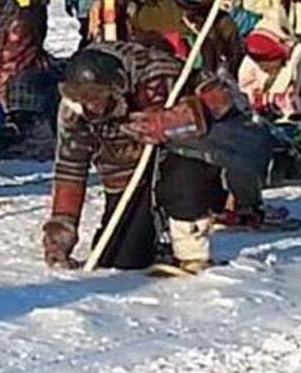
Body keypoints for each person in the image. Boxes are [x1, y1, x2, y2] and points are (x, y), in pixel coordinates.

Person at [42, 42, 238, 273]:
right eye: (83, 99)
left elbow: (223, 100)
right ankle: (151, 234)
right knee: (121, 259)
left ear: (118, 86)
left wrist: (172, 121)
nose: (91, 106)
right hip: (124, 168)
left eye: (97, 97)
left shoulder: (157, 74)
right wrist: (62, 227)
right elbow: (70, 168)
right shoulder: (73, 110)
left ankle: (191, 250)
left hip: (182, 153)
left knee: (183, 178)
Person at [134, 0, 244, 78]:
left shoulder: (222, 24)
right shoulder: (155, 12)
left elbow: (235, 57)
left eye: (199, 9)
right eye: (187, 5)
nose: (191, 12)